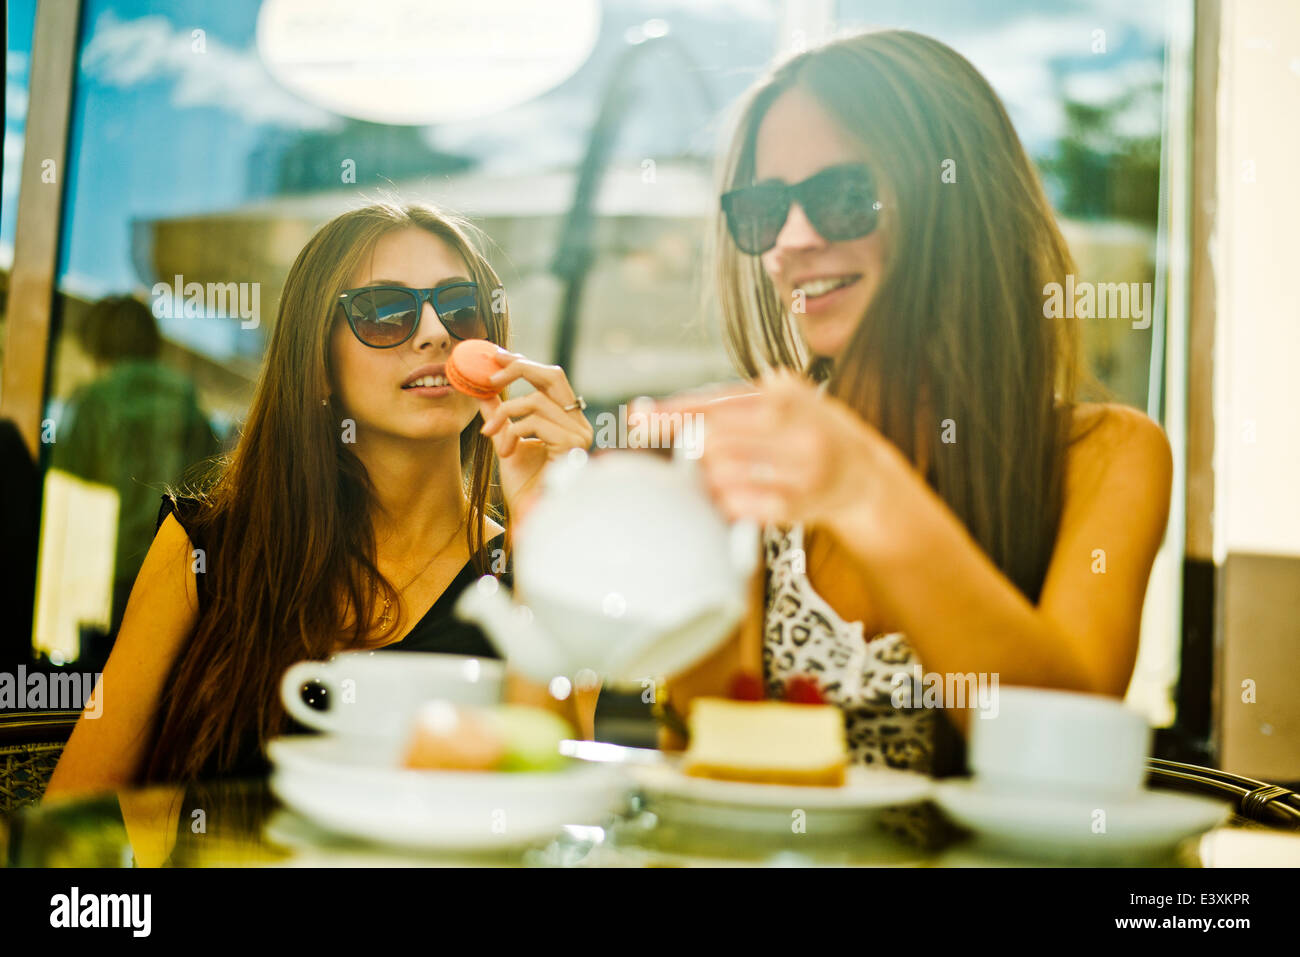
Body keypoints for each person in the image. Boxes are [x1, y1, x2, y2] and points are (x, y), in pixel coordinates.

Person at [657, 30, 1172, 786]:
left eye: (843, 196)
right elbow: (710, 759)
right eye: (764, 209)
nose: (791, 242)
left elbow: (1067, 768)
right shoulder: (752, 463)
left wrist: (871, 492)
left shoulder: (1106, 454)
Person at [46, 201, 593, 794]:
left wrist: (545, 536)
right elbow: (75, 820)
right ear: (318, 368)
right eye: (385, 312)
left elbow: (557, 809)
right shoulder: (206, 548)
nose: (437, 333)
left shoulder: (535, 572)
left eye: (461, 307)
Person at [50, 295, 221, 670]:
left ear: (97, 345)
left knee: (101, 685)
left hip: (106, 581)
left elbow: (65, 500)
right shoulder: (189, 404)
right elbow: (211, 488)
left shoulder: (95, 400)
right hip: (176, 572)